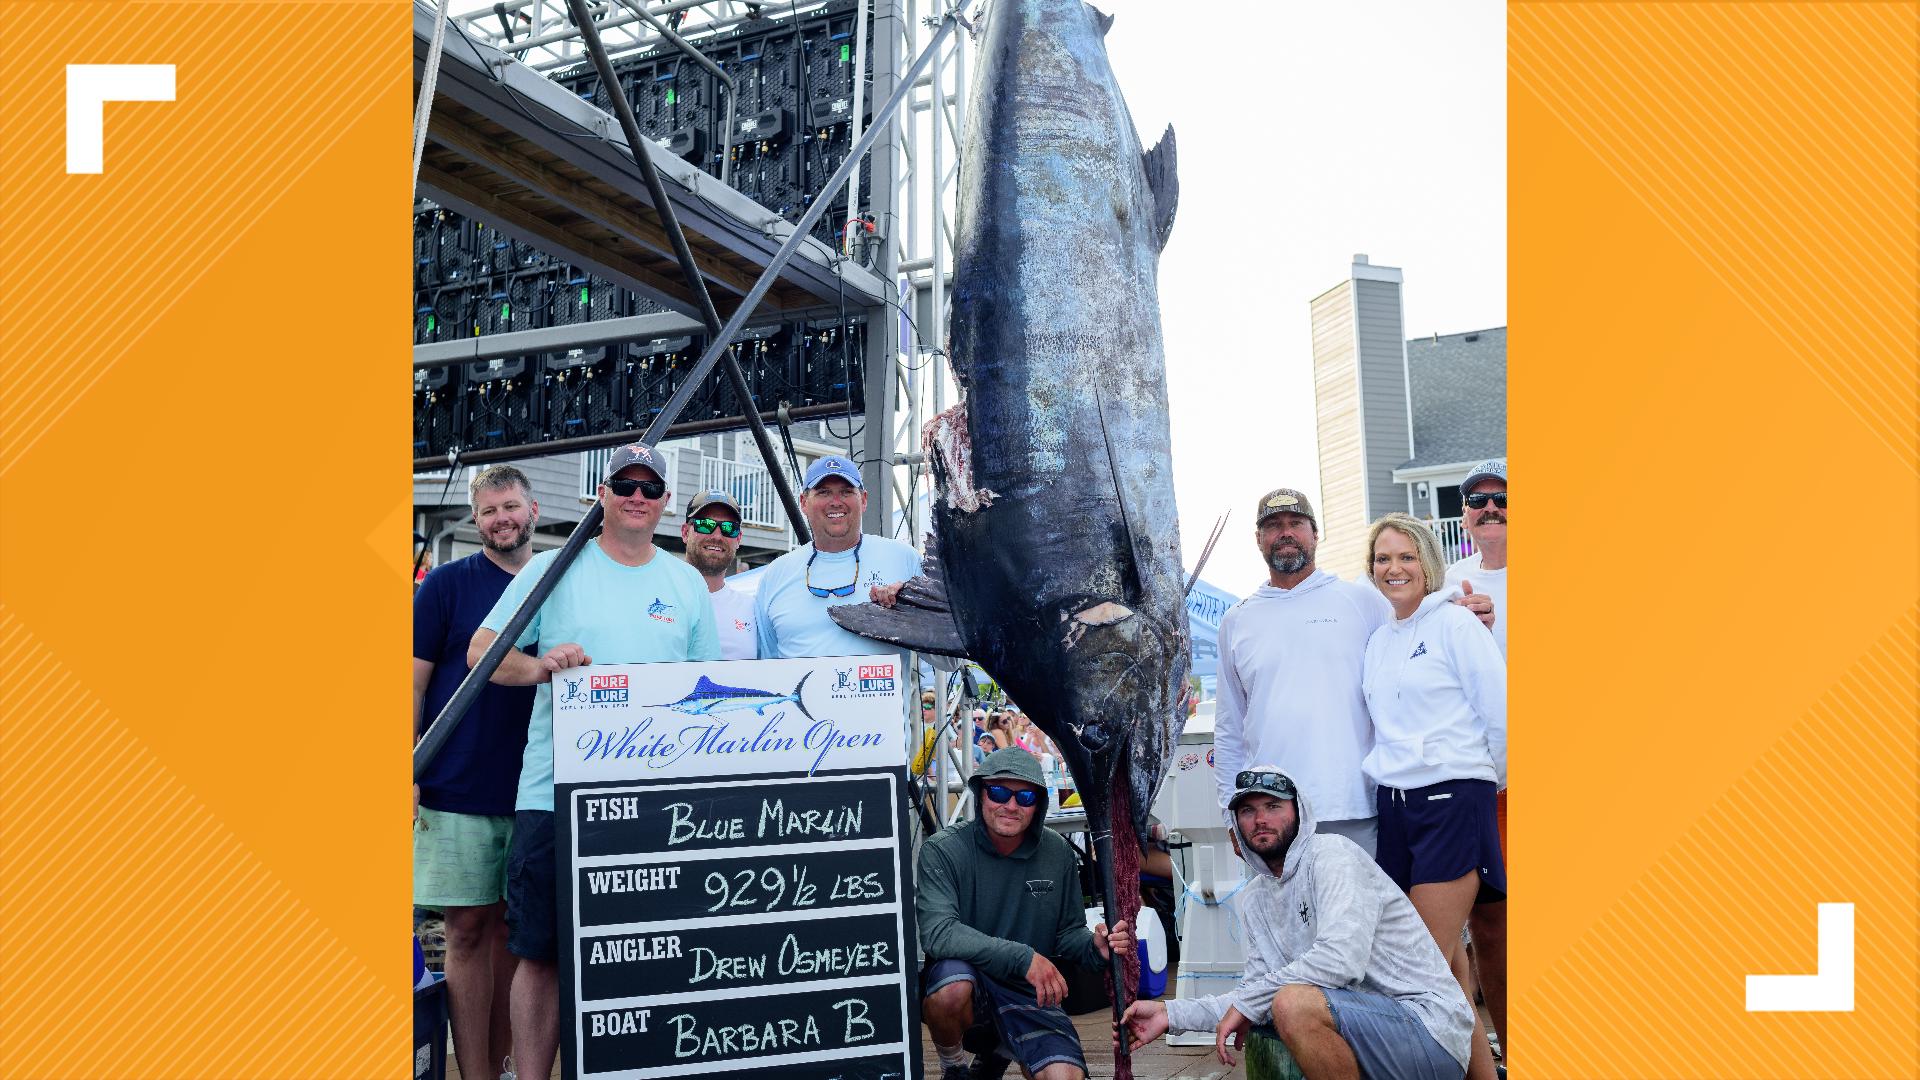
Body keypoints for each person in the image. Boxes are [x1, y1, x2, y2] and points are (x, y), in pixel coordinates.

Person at [468, 441, 719, 1080]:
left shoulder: (686, 583)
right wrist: (542, 669)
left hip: (660, 800)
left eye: (649, 488)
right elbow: (482, 651)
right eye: (624, 486)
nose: (637, 497)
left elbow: (708, 690)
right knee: (542, 955)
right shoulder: (552, 569)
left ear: (665, 503)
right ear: (600, 495)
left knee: (650, 954)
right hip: (554, 796)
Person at [1120, 766, 1472, 1080]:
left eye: (1273, 806)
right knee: (1276, 1005)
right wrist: (1171, 1013)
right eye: (1248, 810)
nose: (1260, 819)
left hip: (1428, 1033)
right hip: (1365, 1033)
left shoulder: (1332, 856)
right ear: (1236, 826)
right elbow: (1252, 992)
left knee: (1290, 1005)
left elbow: (1340, 960)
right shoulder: (1256, 898)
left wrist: (1251, 1004)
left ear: (1299, 811)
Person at [1361, 513, 1506, 1080]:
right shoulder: (1378, 641)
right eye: (1382, 558)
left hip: (1453, 797)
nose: (1394, 568)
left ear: (1428, 563)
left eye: (1405, 556)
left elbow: (1499, 714)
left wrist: (1482, 784)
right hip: (1394, 808)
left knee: (1413, 959)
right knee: (1445, 965)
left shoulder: (1456, 624)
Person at [413, 465, 539, 1080]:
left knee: (515, 934)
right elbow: (410, 682)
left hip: (535, 784)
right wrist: (406, 764)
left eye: (510, 506)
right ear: (475, 518)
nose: (501, 520)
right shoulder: (444, 585)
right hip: (456, 784)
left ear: (534, 510)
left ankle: (507, 1065)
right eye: (489, 511)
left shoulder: (556, 580)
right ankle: (476, 1074)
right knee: (465, 930)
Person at [919, 749, 1132, 1080]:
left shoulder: (1058, 852)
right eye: (999, 792)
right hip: (969, 986)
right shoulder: (942, 849)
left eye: (1026, 796)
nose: (1011, 805)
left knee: (1064, 1076)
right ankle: (954, 1065)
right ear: (981, 793)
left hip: (1029, 993)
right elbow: (939, 933)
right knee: (951, 987)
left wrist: (1095, 947)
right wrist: (1023, 958)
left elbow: (1068, 933)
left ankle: (1000, 1049)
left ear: (1040, 804)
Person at [1211, 487, 1393, 854]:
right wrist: (1231, 810)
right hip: (1271, 815)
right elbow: (1230, 726)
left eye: (1296, 523)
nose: (1286, 533)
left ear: (1315, 534)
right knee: (1283, 914)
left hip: (1354, 805)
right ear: (1259, 539)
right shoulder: (1237, 620)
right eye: (1274, 525)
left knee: (1355, 913)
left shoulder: (1363, 602)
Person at [1441, 458, 1508, 1065]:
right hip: (1481, 781)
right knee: (1491, 926)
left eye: (1502, 497)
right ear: (1463, 513)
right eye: (1477, 499)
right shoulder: (1447, 582)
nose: (1490, 507)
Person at [753, 454, 922, 661]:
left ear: (864, 500)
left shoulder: (904, 559)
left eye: (846, 492)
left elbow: (948, 661)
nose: (835, 502)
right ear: (804, 502)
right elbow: (766, 665)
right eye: (823, 492)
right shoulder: (775, 574)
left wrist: (911, 607)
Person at [680, 487, 756, 660]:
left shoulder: (752, 608)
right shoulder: (660, 595)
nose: (717, 535)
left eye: (729, 528)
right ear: (685, 533)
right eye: (706, 525)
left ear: (738, 539)